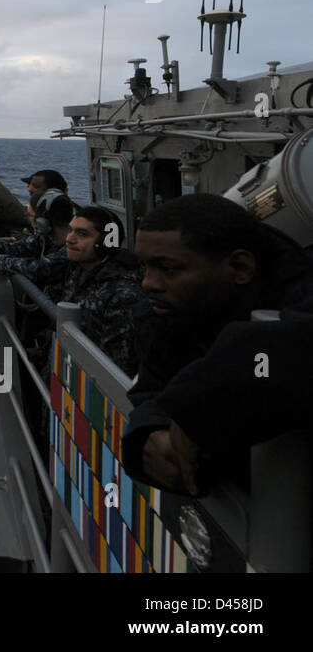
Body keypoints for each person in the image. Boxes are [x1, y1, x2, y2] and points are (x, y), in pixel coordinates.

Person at [122, 193, 313, 495]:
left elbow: (285, 350)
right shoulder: (166, 314)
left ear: (240, 268)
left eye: (167, 268)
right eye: (145, 267)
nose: (148, 283)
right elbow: (153, 388)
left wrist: (194, 410)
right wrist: (151, 431)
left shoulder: (300, 296)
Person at [0, 205, 144, 375]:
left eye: (82, 234)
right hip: (63, 365)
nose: (70, 239)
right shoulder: (78, 263)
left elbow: (119, 370)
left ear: (107, 242)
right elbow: (24, 250)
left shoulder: (123, 293)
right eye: (71, 230)